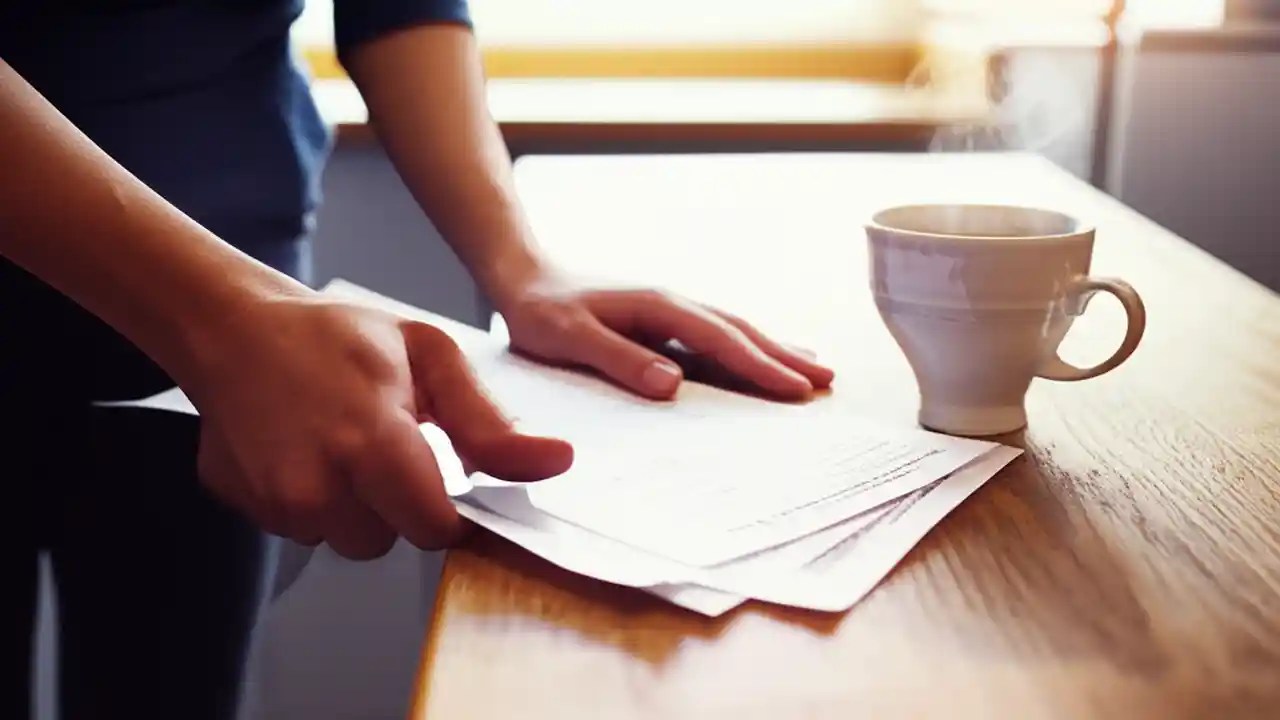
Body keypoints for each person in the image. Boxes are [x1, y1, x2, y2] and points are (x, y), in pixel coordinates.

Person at [1, 2, 834, 718]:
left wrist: (520, 264)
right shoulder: (235, 333)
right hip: (230, 325)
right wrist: (220, 320)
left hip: (245, 295)